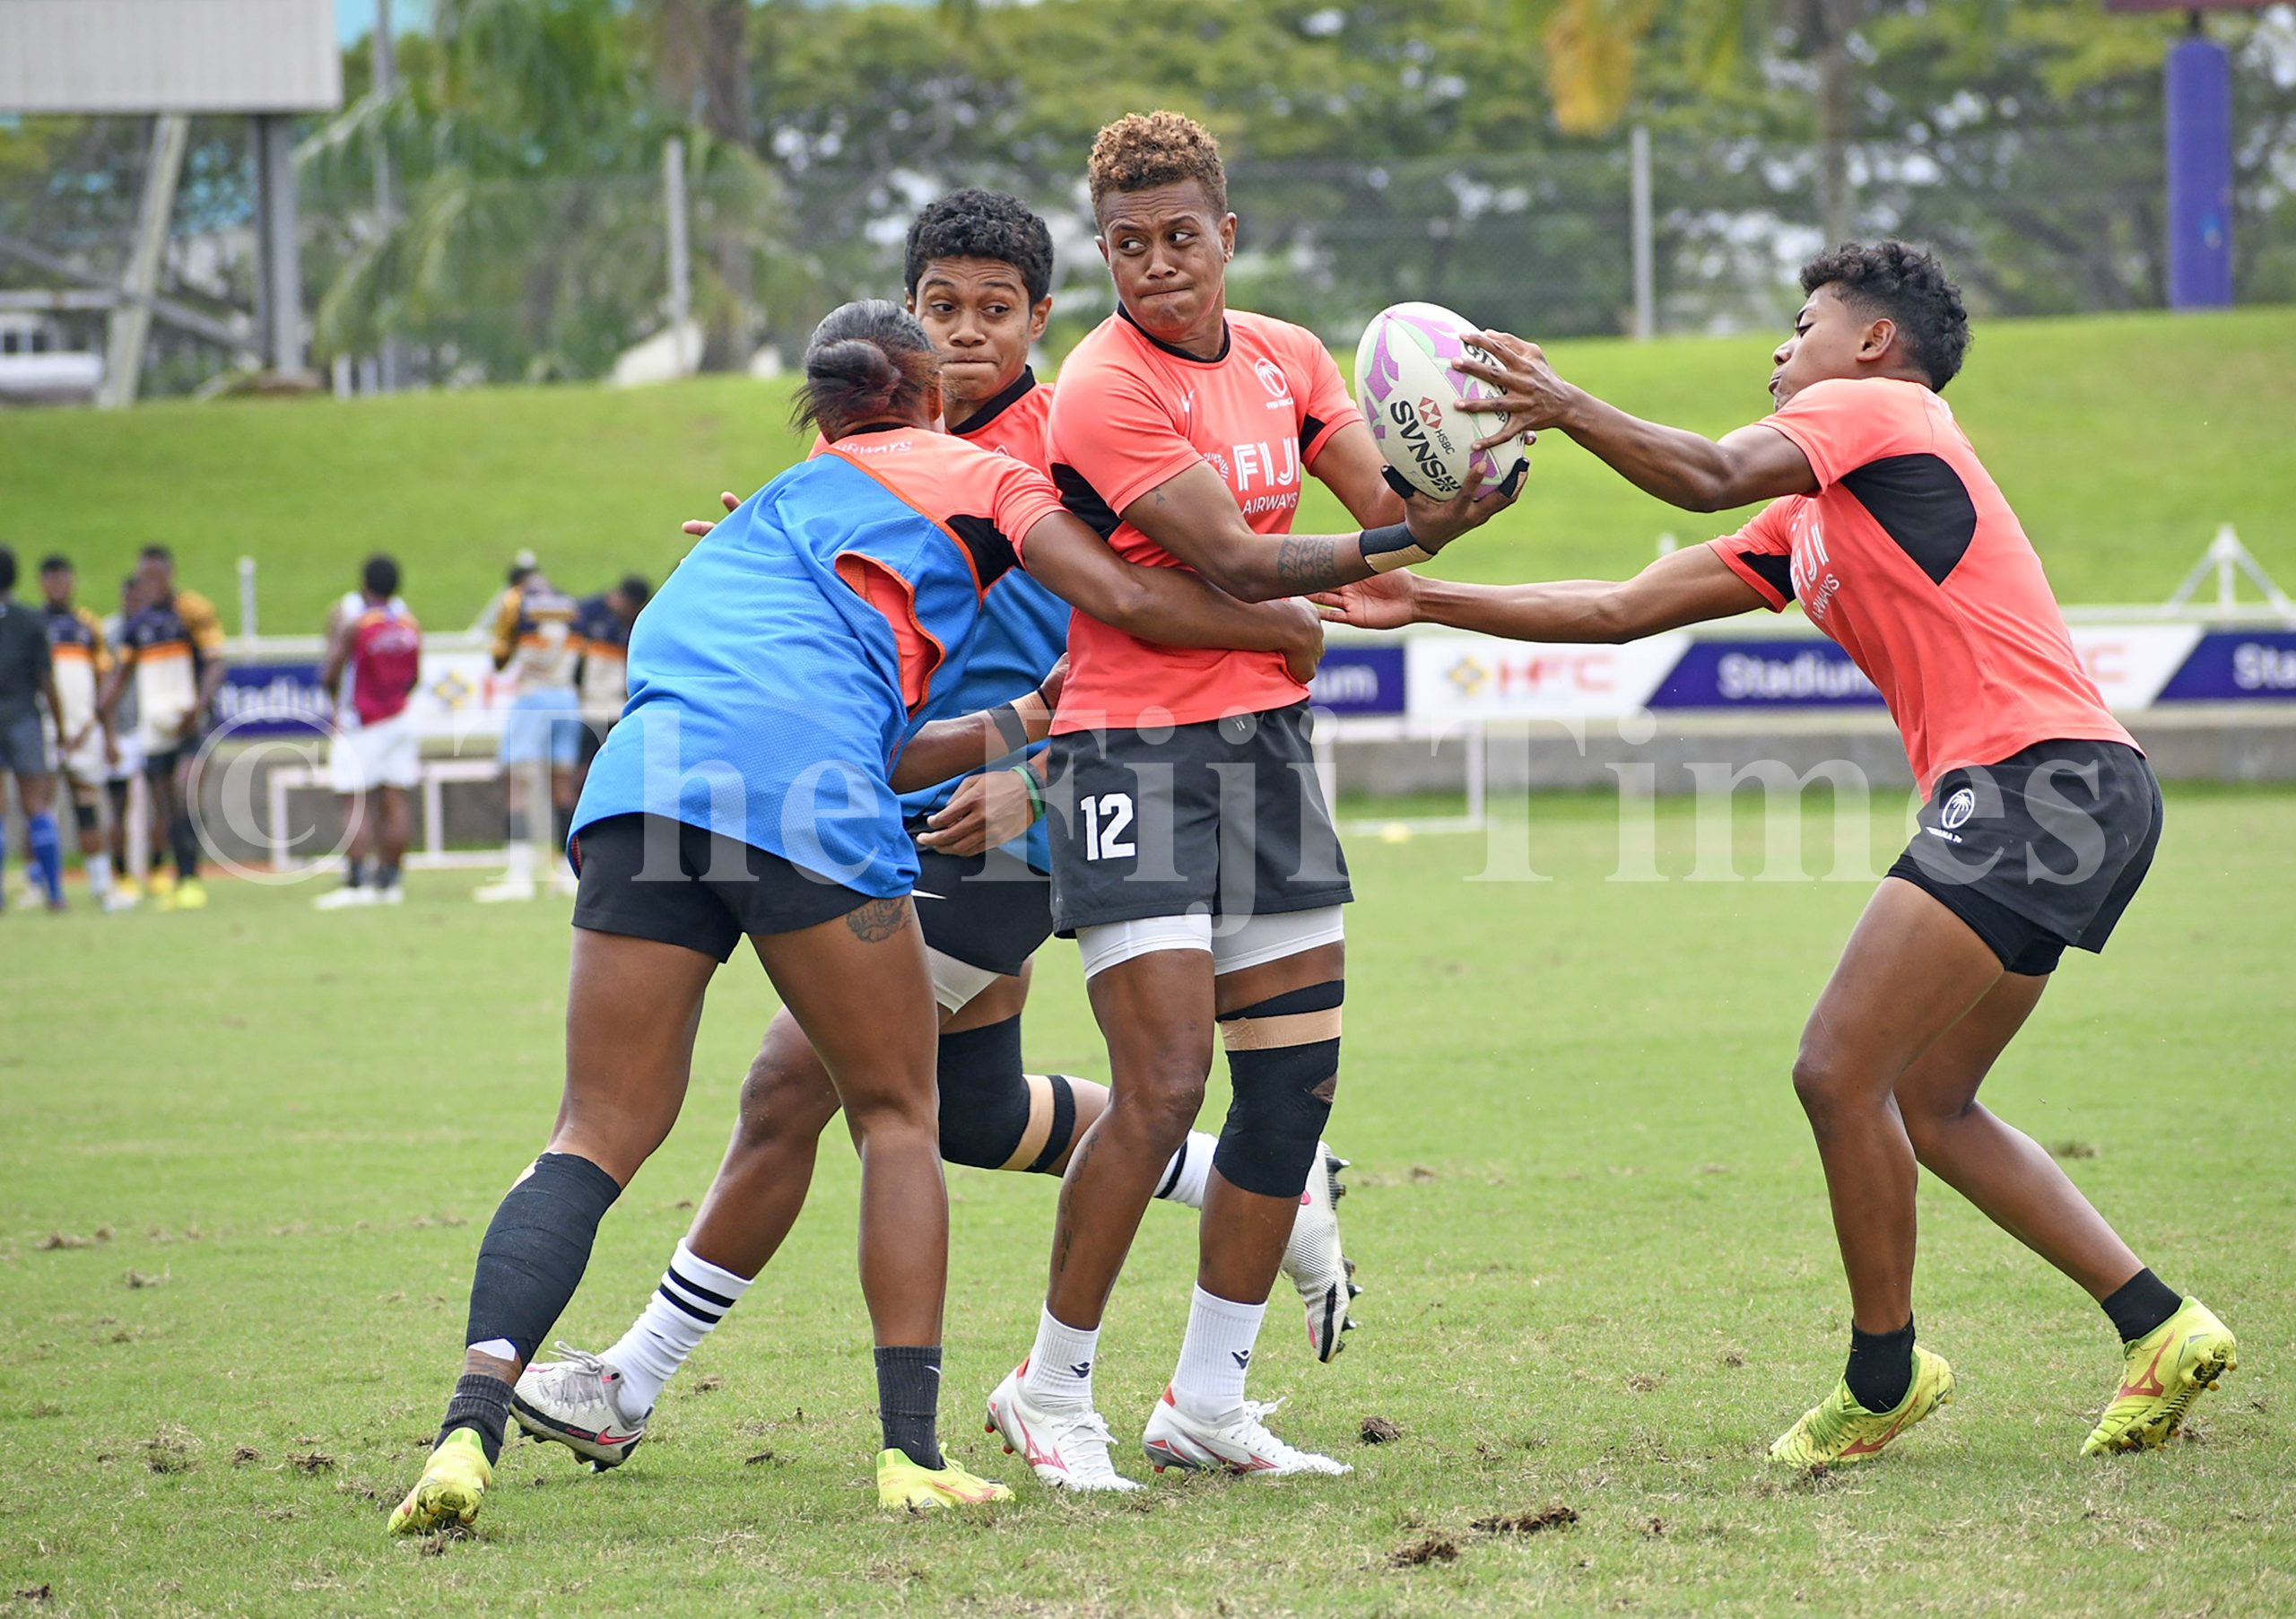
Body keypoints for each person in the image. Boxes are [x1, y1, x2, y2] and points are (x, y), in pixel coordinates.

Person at [385, 298, 1346, 1536]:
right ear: (923, 386)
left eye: (987, 304)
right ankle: (904, 1445)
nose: (964, 328)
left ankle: (475, 1425)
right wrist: (1305, 611)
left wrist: (1027, 740)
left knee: (599, 1128)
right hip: (835, 801)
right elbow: (1132, 604)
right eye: (939, 309)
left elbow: (867, 714)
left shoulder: (774, 513)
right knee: (907, 1111)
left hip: (652, 782)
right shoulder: (987, 471)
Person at [1320, 239, 2235, 1465]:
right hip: (2074, 791)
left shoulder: (1881, 405)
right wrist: (1424, 601)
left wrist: (1564, 404)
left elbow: (1700, 474)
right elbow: (1616, 610)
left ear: (1871, 341)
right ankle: (2159, 1324)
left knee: (1833, 1069)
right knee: (1928, 1097)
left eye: (1802, 321)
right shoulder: (1814, 515)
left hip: (2040, 781)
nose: (1778, 347)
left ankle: (1884, 1373)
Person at [980, 112, 1518, 1490]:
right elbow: (1233, 557)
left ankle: (1207, 1403)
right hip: (1132, 760)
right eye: (1126, 245)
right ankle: (1050, 1392)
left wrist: (1471, 470)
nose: (1155, 265)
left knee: (1291, 1097)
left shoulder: (1288, 354)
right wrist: (1402, 539)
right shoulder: (1101, 386)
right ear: (1102, 254)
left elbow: (1387, 495)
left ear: (1230, 232)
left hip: (1268, 748)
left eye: (1180, 235)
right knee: (1161, 1090)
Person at [95, 544, 226, 910]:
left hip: (190, 723)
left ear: (170, 574)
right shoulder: (138, 625)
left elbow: (216, 664)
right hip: (154, 729)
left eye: (157, 576)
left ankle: (190, 880)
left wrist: (198, 707)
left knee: (185, 791)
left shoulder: (192, 610)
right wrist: (103, 722)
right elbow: (118, 676)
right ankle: (176, 875)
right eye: (145, 577)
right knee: (165, 808)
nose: (150, 584)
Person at [315, 555, 422, 909]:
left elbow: (330, 672)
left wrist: (336, 703)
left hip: (361, 721)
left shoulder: (353, 622)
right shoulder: (408, 622)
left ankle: (357, 881)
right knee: (395, 799)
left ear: (364, 584)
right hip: (400, 719)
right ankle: (390, 882)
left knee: (354, 801)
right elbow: (415, 678)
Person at [474, 563, 582, 902]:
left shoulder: (517, 605)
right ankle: (567, 873)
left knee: (515, 784)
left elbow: (500, 659)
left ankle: (519, 876)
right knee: (563, 788)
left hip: (533, 697)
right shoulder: (567, 605)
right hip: (566, 698)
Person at [37, 555, 117, 911]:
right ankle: (37, 883)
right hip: (43, 730)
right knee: (39, 808)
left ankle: (101, 885)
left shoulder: (88, 627)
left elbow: (103, 680)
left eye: (63, 578)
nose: (58, 586)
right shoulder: (33, 625)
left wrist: (99, 727)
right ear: (41, 583)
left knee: (87, 807)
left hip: (83, 732)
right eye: (51, 579)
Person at [0, 545, 66, 914]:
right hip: (25, 718)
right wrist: (59, 725)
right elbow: (46, 680)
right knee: (37, 806)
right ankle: (54, 893)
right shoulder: (30, 621)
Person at [570, 574, 650, 795]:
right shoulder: (591, 613)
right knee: (584, 772)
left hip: (615, 709)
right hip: (592, 708)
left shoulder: (631, 623)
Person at [99, 574, 151, 910]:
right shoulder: (109, 633)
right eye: (128, 597)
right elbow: (104, 684)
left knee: (163, 802)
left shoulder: (158, 629)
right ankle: (120, 874)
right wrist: (109, 733)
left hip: (153, 726)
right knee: (119, 806)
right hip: (121, 729)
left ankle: (159, 868)